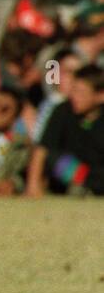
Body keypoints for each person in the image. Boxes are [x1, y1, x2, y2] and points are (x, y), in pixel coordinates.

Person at [27, 64, 104, 195]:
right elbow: (42, 149)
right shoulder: (62, 110)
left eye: (80, 92)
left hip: (99, 175)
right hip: (71, 175)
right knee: (55, 159)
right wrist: (33, 185)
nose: (74, 96)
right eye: (73, 90)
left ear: (100, 95)